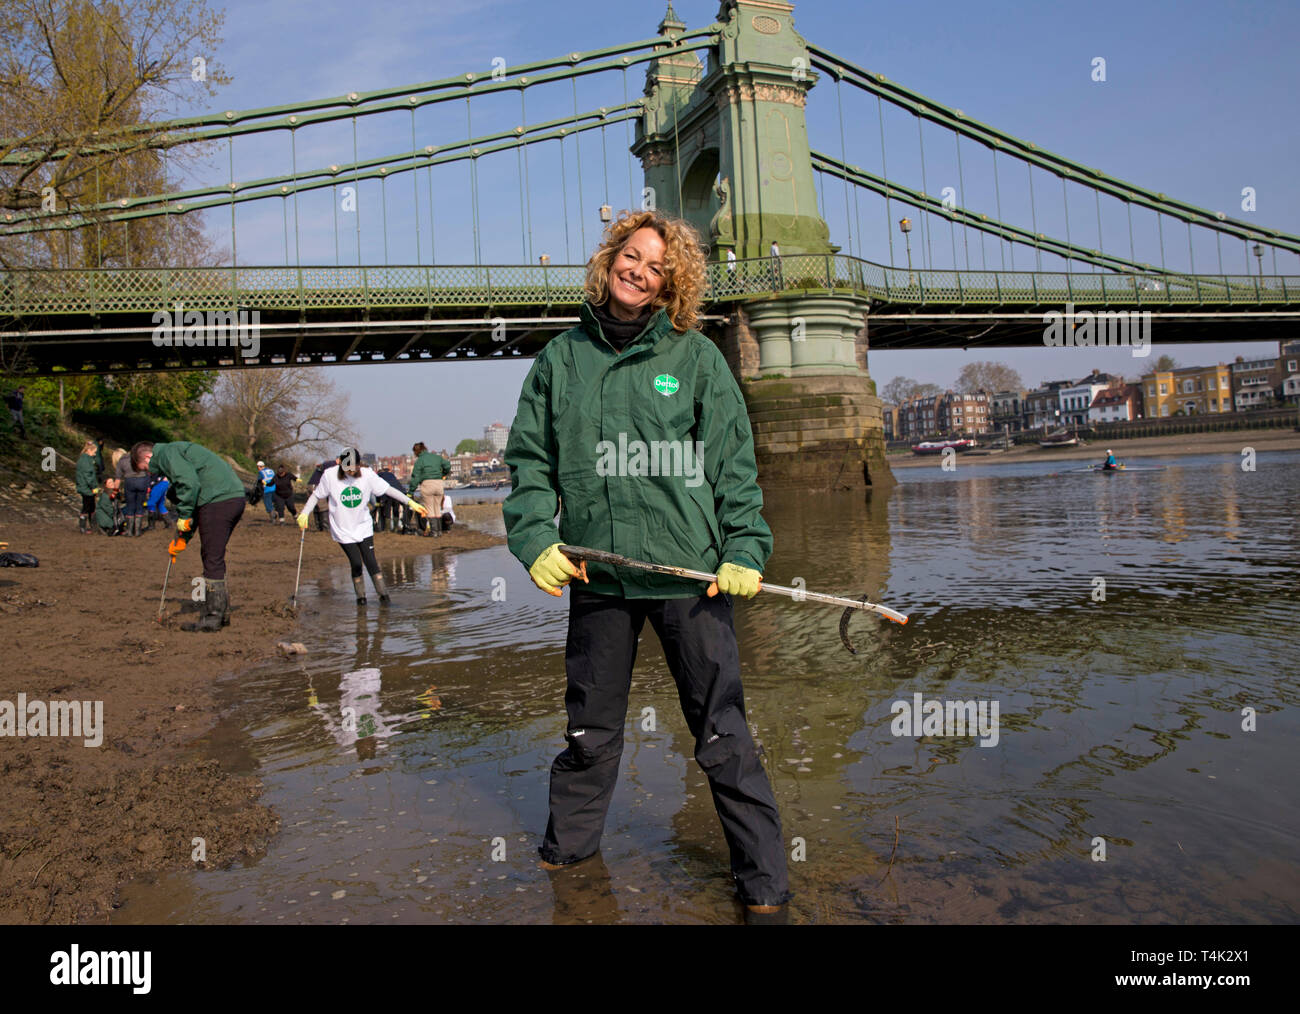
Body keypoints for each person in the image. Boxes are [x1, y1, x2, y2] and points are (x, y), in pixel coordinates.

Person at [503, 208, 789, 923]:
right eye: (630, 254)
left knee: (723, 733)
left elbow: (734, 468)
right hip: (594, 577)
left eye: (656, 265)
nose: (638, 269)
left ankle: (764, 888)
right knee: (588, 734)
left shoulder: (696, 359)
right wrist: (535, 538)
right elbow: (530, 465)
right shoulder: (560, 361)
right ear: (609, 259)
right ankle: (566, 864)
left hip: (688, 580)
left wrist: (744, 549)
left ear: (672, 283)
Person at [138, 440, 246, 633]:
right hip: (230, 497)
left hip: (219, 499)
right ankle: (221, 614)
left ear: (147, 457)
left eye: (146, 468)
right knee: (213, 555)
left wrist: (185, 515)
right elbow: (194, 501)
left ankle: (212, 619)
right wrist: (182, 538)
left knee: (212, 557)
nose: (150, 473)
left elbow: (189, 485)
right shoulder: (178, 452)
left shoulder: (167, 454)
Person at [297, 448, 428, 605]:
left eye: (354, 468)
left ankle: (385, 598)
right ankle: (361, 599)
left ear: (359, 465)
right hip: (343, 529)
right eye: (347, 469)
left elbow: (389, 489)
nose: (351, 472)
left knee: (371, 563)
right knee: (357, 563)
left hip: (363, 526)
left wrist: (411, 503)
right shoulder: (330, 476)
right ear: (340, 464)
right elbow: (316, 495)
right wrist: (304, 513)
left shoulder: (367, 475)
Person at [408, 443, 450, 537]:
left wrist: (410, 492)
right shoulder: (436, 457)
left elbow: (415, 477)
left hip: (427, 484)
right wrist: (443, 473)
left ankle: (434, 532)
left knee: (430, 509)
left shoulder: (420, 460)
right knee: (437, 508)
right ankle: (439, 531)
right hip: (439, 484)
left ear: (416, 451)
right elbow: (447, 465)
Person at [118, 443, 152, 536]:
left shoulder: (123, 460)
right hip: (142, 481)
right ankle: (137, 531)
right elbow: (149, 471)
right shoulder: (140, 458)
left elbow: (118, 477)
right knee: (139, 506)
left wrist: (115, 490)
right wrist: (148, 485)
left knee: (130, 506)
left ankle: (129, 531)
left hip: (129, 482)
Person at [75, 439, 100, 534]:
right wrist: (94, 488)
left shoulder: (85, 459)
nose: (94, 454)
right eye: (94, 452)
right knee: (87, 507)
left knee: (91, 507)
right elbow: (89, 477)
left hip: (85, 487)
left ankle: (93, 526)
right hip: (87, 488)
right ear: (89, 450)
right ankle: (83, 527)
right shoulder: (85, 461)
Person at [307, 459, 335, 532]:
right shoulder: (332, 464)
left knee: (317, 506)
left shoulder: (330, 463)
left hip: (312, 484)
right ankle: (325, 528)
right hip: (316, 485)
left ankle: (319, 527)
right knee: (323, 506)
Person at [375, 465, 403, 532]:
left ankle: (387, 529)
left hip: (388, 492)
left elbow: (377, 489)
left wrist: (378, 501)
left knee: (387, 510)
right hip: (397, 492)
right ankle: (395, 528)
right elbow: (398, 484)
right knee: (396, 510)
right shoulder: (392, 475)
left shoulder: (379, 475)